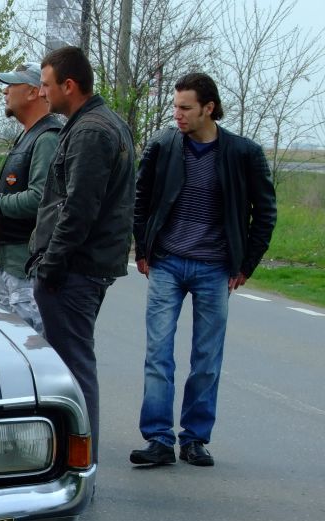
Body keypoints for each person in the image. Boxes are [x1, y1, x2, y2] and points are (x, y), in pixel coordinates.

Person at [130, 73, 277, 468]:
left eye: (185, 108)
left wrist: (246, 265)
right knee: (158, 354)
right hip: (167, 263)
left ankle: (194, 439)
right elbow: (140, 199)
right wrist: (143, 248)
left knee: (207, 357)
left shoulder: (243, 154)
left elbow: (265, 213)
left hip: (215, 268)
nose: (177, 114)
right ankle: (159, 439)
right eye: (175, 107)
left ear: (208, 108)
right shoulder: (163, 146)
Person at [28, 46, 135, 464]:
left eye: (47, 84)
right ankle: (76, 457)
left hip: (75, 270)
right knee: (74, 362)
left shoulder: (90, 131)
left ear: (68, 86)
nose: (43, 91)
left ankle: (79, 462)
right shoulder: (101, 123)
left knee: (73, 368)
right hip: (83, 267)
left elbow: (78, 210)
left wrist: (50, 265)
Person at [0, 62, 60, 333]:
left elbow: (40, 198)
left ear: (32, 92)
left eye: (11, 85)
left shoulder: (47, 138)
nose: (5, 92)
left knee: (29, 345)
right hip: (12, 267)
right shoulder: (27, 136)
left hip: (26, 269)